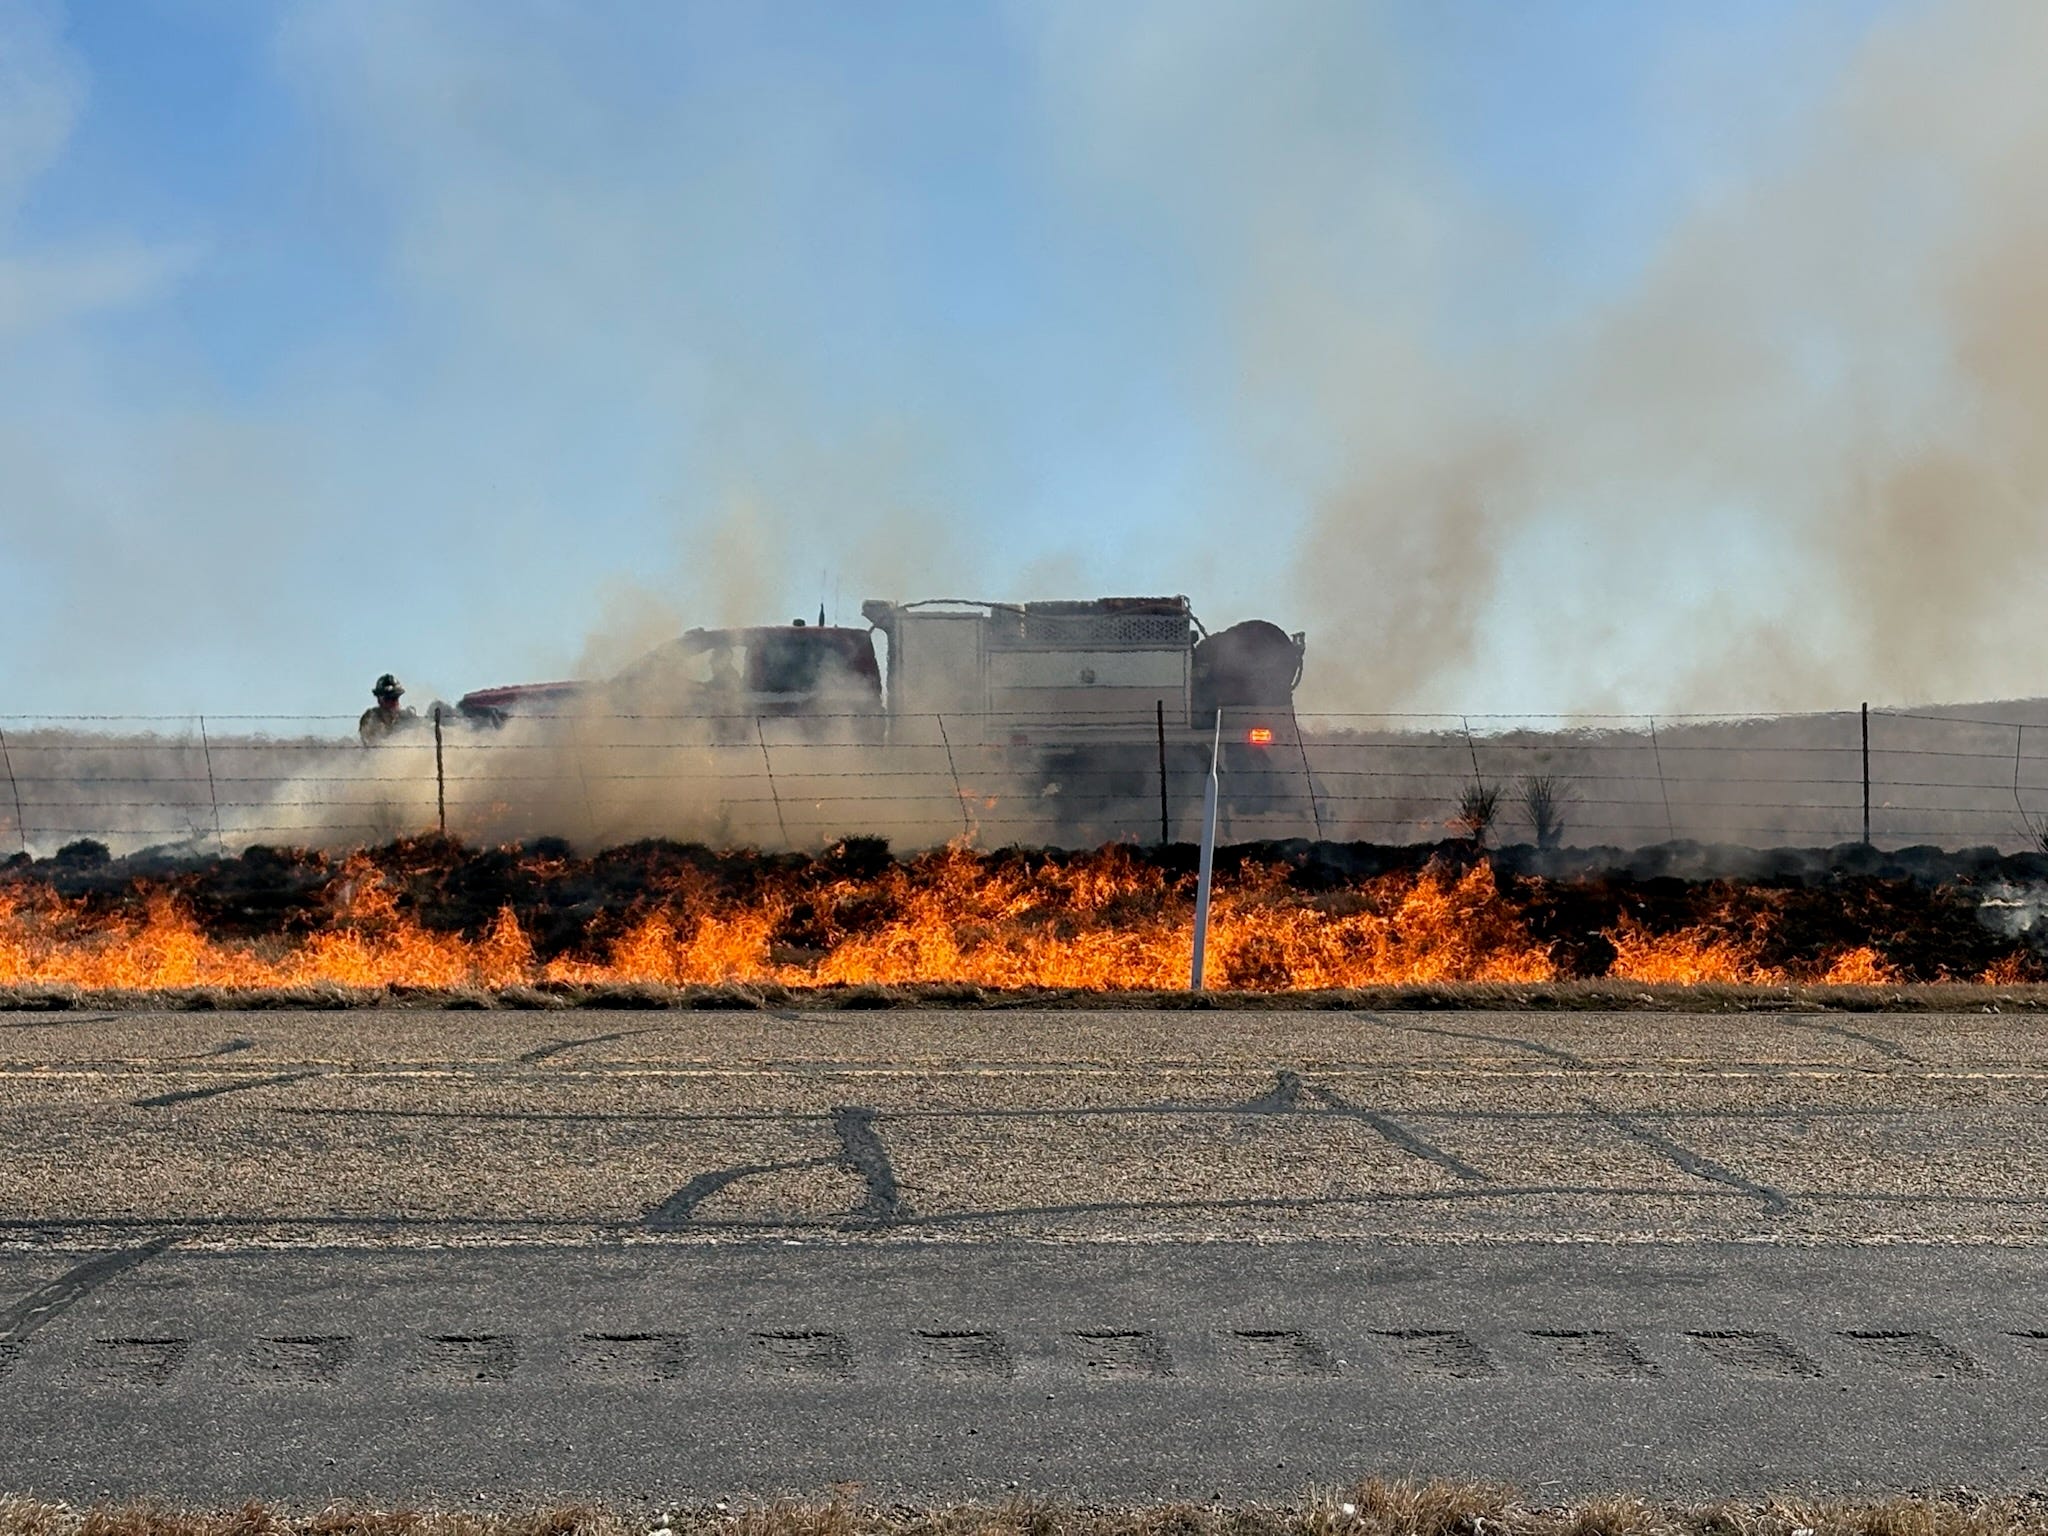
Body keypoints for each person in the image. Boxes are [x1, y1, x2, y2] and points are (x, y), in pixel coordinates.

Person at [359, 673, 419, 746]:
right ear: (379, 699)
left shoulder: (406, 717)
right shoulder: (371, 718)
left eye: (395, 698)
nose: (392, 703)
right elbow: (369, 742)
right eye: (387, 699)